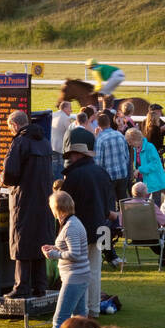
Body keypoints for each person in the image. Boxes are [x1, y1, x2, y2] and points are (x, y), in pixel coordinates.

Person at [21, 191, 91, 328]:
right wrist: (55, 247)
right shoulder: (72, 222)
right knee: (81, 320)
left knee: (59, 320)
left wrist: (54, 254)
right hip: (80, 276)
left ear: (57, 208)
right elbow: (72, 248)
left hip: (74, 278)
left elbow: (75, 254)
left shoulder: (70, 227)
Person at [58, 127, 117, 312]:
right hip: (101, 228)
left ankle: (81, 308)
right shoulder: (101, 172)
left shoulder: (73, 177)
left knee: (76, 272)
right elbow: (110, 209)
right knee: (94, 271)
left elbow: (64, 208)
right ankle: (93, 309)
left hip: (79, 230)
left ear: (76, 154)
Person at [2, 110, 54, 299]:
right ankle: (40, 286)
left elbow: (10, 173)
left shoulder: (20, 142)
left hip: (24, 198)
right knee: (41, 240)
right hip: (45, 199)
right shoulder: (45, 141)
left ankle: (22, 286)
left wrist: (2, 178)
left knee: (21, 239)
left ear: (15, 125)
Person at [93, 111, 132, 203]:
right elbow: (127, 156)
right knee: (123, 201)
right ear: (109, 123)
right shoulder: (120, 135)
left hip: (109, 176)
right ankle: (125, 217)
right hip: (123, 173)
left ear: (98, 125)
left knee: (110, 203)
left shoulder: (100, 139)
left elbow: (98, 162)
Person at [51, 100, 73, 179]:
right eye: (70, 108)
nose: (71, 110)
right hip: (60, 148)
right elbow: (71, 132)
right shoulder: (66, 118)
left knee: (53, 169)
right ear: (65, 108)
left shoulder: (53, 114)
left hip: (52, 145)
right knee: (60, 170)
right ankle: (59, 186)